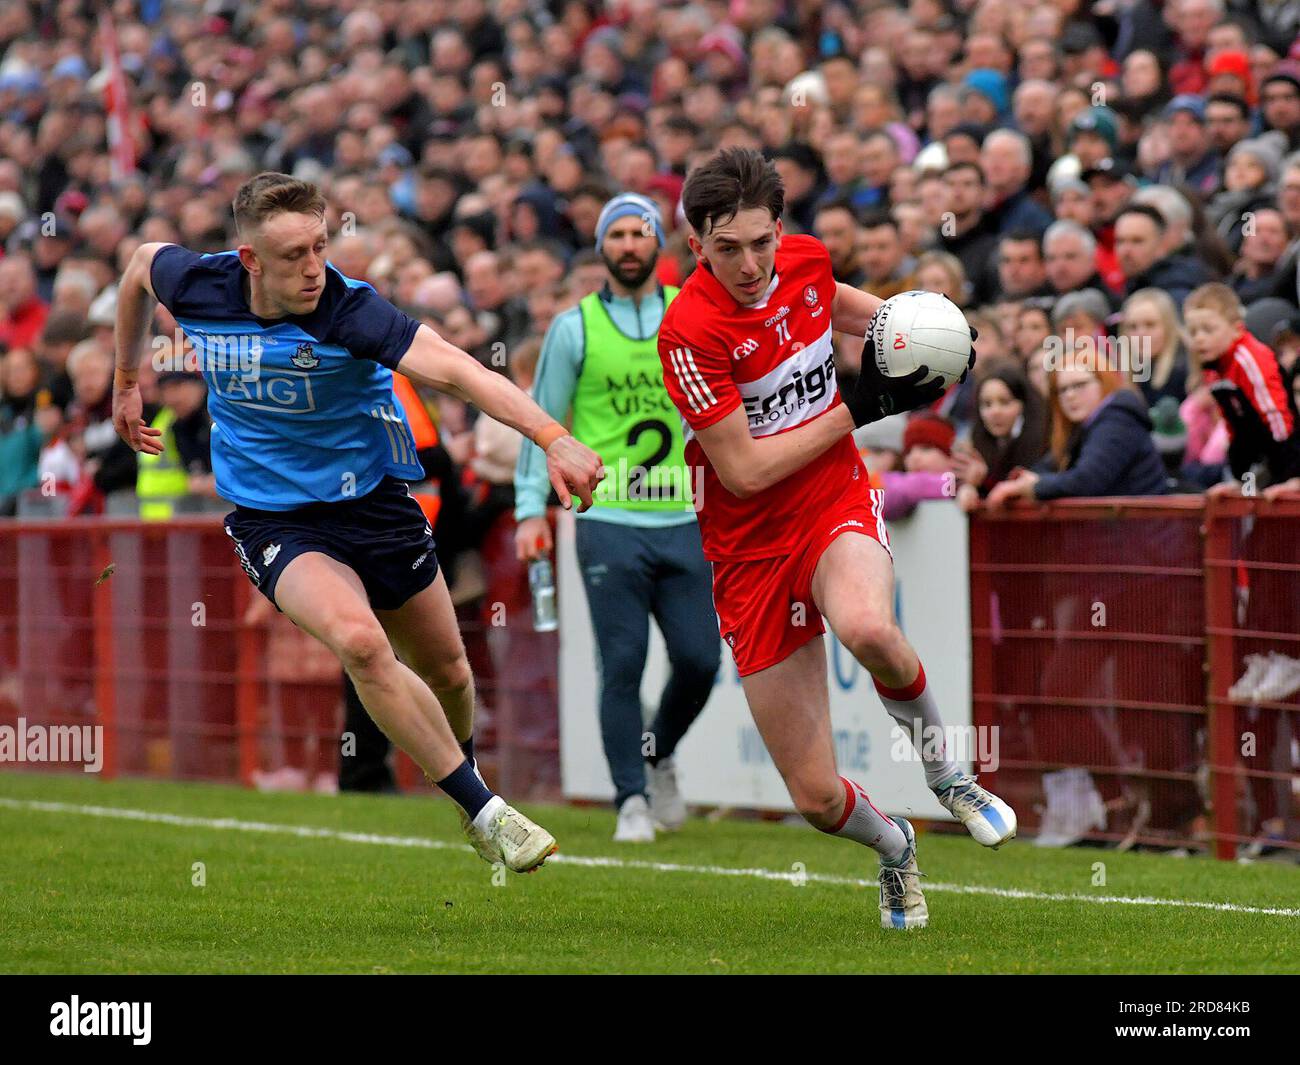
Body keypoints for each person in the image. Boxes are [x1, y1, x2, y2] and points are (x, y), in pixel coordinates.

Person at [111, 172, 604, 874]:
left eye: (320, 246)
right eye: (293, 256)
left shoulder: (352, 312)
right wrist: (126, 382)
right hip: (272, 518)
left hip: (375, 507)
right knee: (362, 645)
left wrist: (552, 436)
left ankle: (462, 779)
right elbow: (136, 269)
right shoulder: (196, 285)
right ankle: (487, 809)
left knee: (451, 674)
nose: (315, 268)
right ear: (248, 260)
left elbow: (463, 373)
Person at [658, 148, 1015, 932]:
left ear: (780, 228)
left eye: (763, 242)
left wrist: (932, 338)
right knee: (817, 798)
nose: (751, 264)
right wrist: (860, 405)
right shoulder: (688, 332)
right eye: (728, 249)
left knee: (866, 624)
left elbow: (850, 308)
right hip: (748, 545)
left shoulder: (805, 259)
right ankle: (895, 846)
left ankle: (949, 773)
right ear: (697, 245)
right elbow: (746, 472)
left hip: (831, 497)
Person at [514, 192, 720, 843]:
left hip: (685, 514)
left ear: (658, 244)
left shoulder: (688, 316)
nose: (630, 244)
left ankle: (657, 754)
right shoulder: (574, 327)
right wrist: (529, 509)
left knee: (699, 658)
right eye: (619, 234)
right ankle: (630, 796)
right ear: (603, 246)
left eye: (641, 233)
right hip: (607, 518)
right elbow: (540, 425)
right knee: (623, 660)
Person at [987, 365, 1169, 506]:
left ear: (1103, 382)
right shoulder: (1081, 427)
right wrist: (1026, 479)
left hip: (1143, 538)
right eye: (1062, 390)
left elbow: (1086, 480)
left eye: (1079, 385)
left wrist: (1035, 486)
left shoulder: (1117, 420)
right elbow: (1051, 465)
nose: (1070, 395)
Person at [1184, 283, 1300, 493]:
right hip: (1258, 456)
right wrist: (1242, 479)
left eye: (1208, 330)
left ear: (1236, 329)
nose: (1199, 338)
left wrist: (1286, 475)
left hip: (1286, 453)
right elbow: (1235, 427)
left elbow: (1278, 420)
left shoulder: (1249, 359)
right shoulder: (1214, 369)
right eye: (1193, 332)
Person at [955, 358, 1048, 510]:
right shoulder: (974, 448)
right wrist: (968, 488)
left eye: (1005, 402)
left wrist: (985, 480)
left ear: (1023, 405)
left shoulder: (1044, 443)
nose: (995, 412)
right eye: (987, 404)